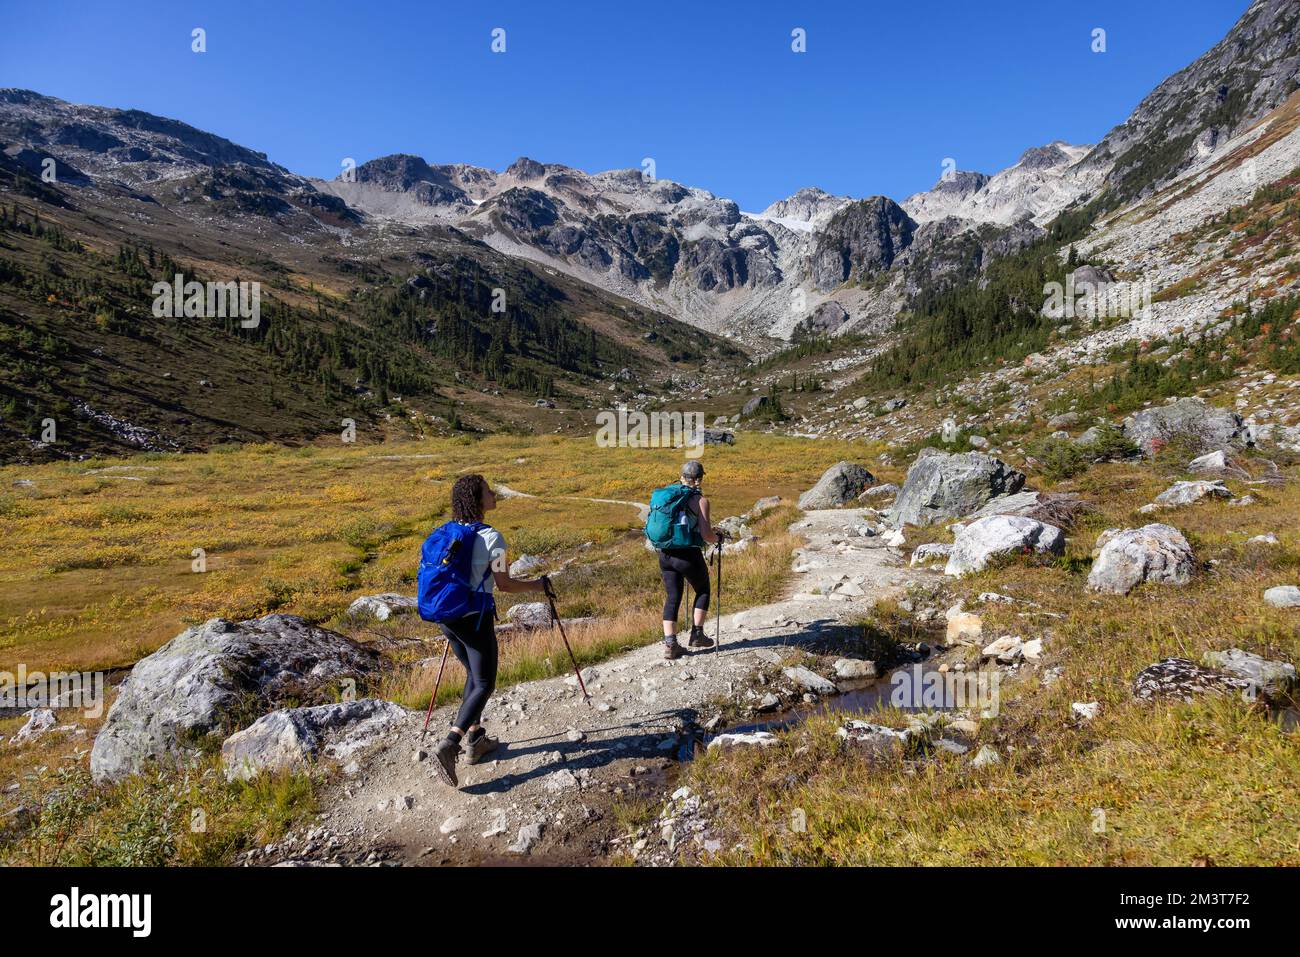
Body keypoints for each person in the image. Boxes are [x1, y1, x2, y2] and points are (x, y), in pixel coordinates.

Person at [431, 473, 550, 787]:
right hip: (475, 616)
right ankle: (450, 744)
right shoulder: (492, 538)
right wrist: (539, 584)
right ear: (477, 500)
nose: (495, 495)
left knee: (472, 673)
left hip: (446, 616)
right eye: (488, 492)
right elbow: (505, 585)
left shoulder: (444, 532)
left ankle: (476, 740)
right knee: (485, 682)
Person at [654, 460, 725, 660]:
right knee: (703, 589)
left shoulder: (667, 495)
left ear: (682, 477)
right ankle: (697, 634)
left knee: (673, 596)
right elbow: (706, 535)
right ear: (700, 479)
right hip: (687, 554)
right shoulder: (700, 500)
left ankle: (670, 645)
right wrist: (718, 538)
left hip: (665, 553)